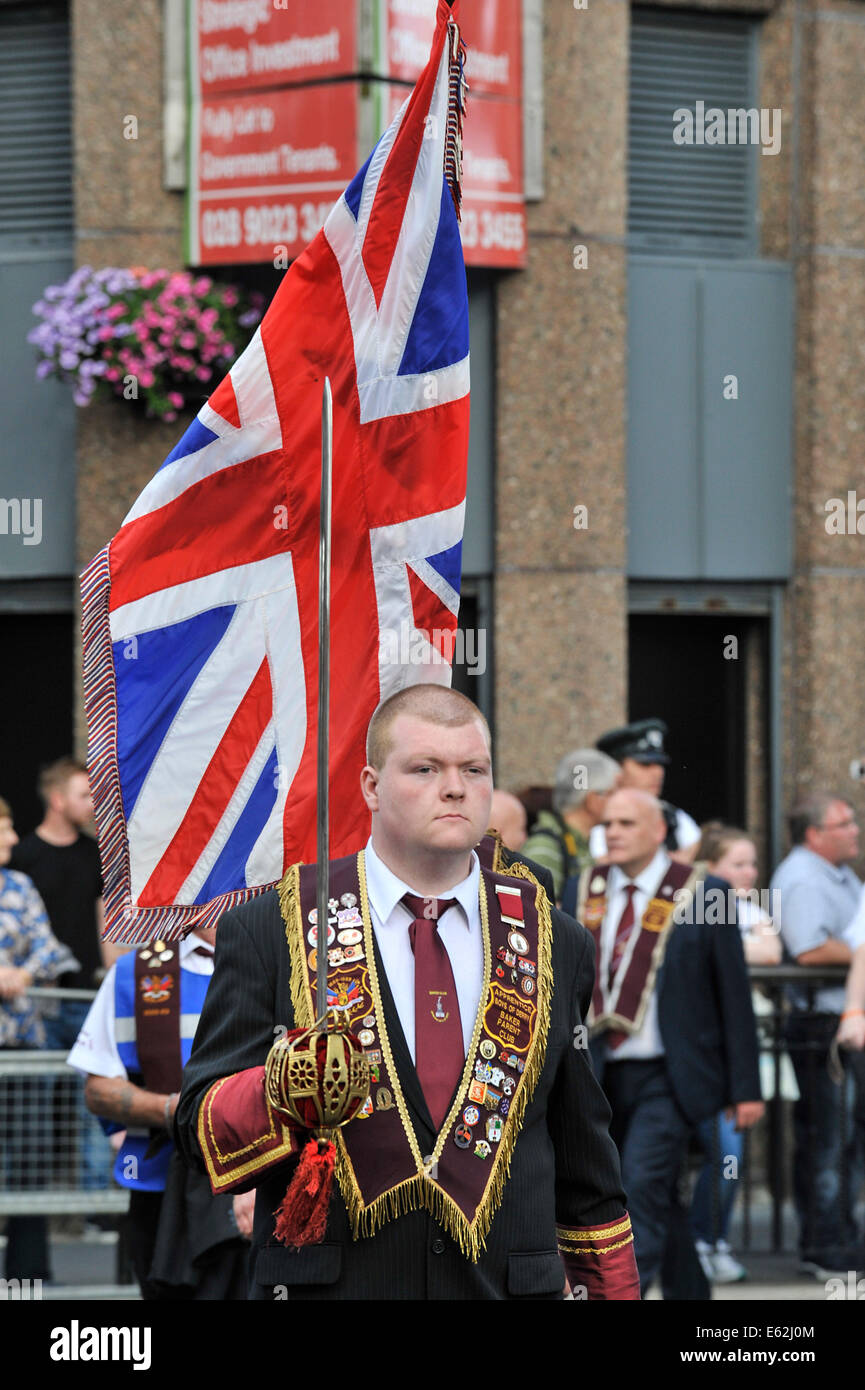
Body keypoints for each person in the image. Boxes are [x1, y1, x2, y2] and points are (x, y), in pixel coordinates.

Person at [174, 684, 641, 1301]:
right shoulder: (273, 926)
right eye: (425, 768)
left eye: (474, 769)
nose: (455, 788)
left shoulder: (556, 939)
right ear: (371, 786)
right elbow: (197, 1130)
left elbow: (585, 1158)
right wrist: (280, 1090)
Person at [574, 789, 763, 1297]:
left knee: (635, 1189)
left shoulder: (708, 891)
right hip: (603, 1072)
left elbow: (734, 996)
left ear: (659, 831)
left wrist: (746, 1087)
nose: (612, 832)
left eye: (626, 823)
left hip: (672, 1075)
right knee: (658, 1195)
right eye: (608, 822)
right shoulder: (581, 887)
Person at [67, 923, 251, 1299]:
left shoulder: (285, 962)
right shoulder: (135, 972)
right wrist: (175, 1110)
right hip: (161, 1190)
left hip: (262, 1188)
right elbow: (98, 1087)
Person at [771, 792, 865, 1277]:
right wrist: (860, 951)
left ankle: (843, 1236)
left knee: (848, 1138)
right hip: (822, 1025)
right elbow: (808, 950)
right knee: (827, 1138)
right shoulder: (802, 876)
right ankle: (825, 1244)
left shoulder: (841, 875)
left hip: (843, 1023)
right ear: (814, 834)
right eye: (844, 823)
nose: (854, 829)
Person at [10, 757, 113, 1197]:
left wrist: (113, 976)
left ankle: (92, 1208)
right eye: (83, 794)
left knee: (92, 1100)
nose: (92, 803)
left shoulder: (94, 854)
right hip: (34, 1002)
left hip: (85, 996)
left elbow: (103, 916)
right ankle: (22, 1206)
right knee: (28, 1105)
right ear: (57, 800)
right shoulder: (23, 856)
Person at [691, 824, 783, 1285]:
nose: (748, 872)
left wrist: (724, 947)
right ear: (710, 868)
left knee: (731, 1150)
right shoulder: (695, 908)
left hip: (743, 1051)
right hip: (701, 1053)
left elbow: (772, 950)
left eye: (752, 862)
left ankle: (712, 1241)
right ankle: (698, 1242)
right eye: (737, 863)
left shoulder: (746, 910)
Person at [0, 795, 79, 1284]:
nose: (13, 838)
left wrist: (22, 975)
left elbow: (52, 949)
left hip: (24, 1046)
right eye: (4, 829)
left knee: (30, 1160)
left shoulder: (20, 885)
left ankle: (25, 1279)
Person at [590, 719, 700, 865]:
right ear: (616, 768)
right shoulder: (596, 817)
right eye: (645, 764)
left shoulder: (674, 818)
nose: (658, 772)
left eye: (660, 764)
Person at [522, 748, 619, 903]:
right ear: (593, 800)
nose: (621, 800)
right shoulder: (546, 846)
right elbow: (532, 911)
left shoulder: (580, 842)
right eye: (613, 793)